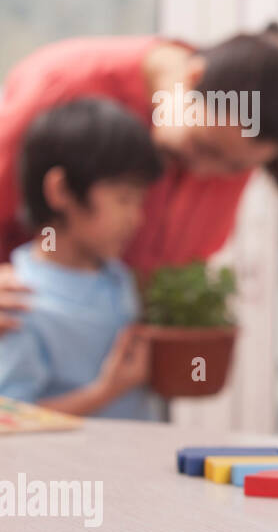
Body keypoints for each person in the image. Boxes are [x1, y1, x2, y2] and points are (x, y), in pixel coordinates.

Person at [0, 23, 278, 330]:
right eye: (203, 148)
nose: (207, 173)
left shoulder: (237, 139)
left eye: (235, 168)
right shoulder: (62, 85)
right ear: (191, 79)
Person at [0, 99, 164, 417]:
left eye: (139, 200)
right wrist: (104, 392)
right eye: (123, 198)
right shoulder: (19, 302)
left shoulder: (119, 278)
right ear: (61, 191)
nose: (136, 218)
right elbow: (11, 420)